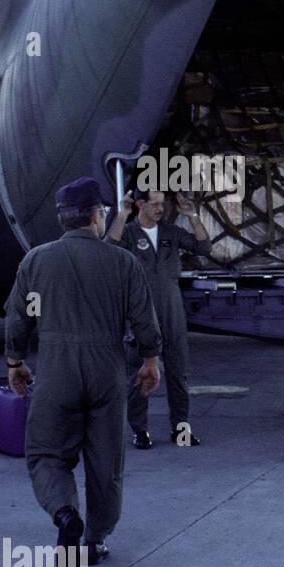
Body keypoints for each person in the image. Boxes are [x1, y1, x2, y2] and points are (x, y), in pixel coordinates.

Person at [4, 177, 162, 564]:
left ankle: (64, 512)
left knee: (45, 453)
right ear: (96, 216)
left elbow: (18, 317)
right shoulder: (122, 261)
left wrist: (14, 362)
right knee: (105, 461)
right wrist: (150, 361)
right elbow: (144, 319)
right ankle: (94, 540)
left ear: (63, 220)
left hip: (56, 370)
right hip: (106, 370)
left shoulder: (36, 260)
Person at [107, 187, 211, 449]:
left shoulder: (170, 231)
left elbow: (204, 246)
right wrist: (122, 214)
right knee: (139, 372)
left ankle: (180, 428)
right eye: (154, 204)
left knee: (178, 372)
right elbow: (109, 249)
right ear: (140, 204)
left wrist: (192, 215)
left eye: (161, 203)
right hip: (140, 306)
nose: (160, 208)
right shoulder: (129, 232)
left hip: (170, 304)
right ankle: (140, 430)